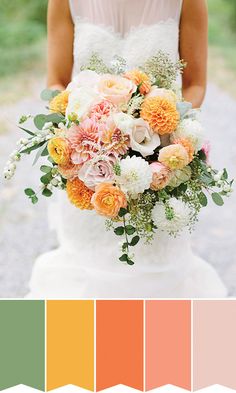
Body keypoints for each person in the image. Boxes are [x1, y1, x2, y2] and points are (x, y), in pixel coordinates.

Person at [27, 0, 227, 298]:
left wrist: (159, 127)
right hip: (89, 164)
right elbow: (56, 80)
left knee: (158, 280)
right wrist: (82, 120)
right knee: (86, 275)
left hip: (158, 164)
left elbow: (195, 84)